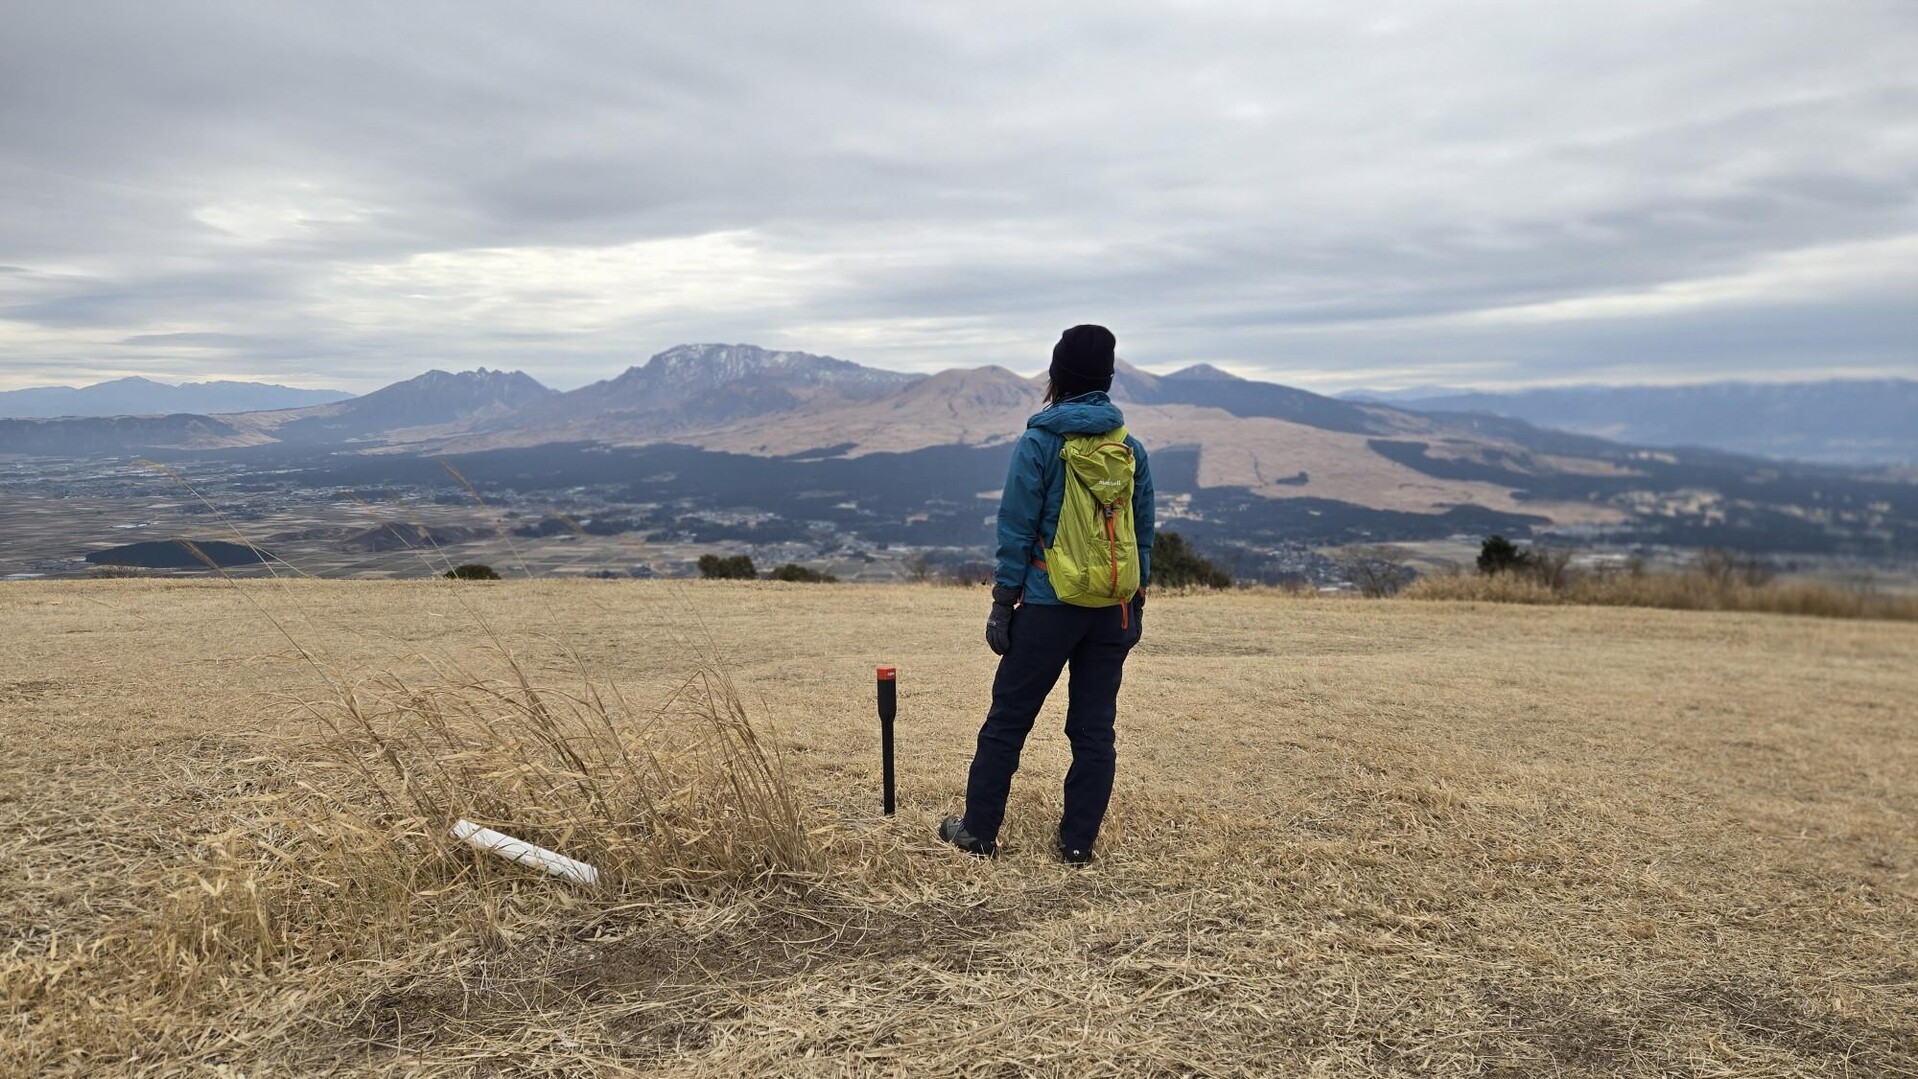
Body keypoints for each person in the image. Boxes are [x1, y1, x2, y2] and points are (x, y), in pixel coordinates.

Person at [940, 324, 1154, 865]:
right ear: (1107, 378)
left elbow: (1016, 526)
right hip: (1111, 608)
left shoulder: (1039, 443)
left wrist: (1001, 602)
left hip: (1046, 602)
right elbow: (1142, 533)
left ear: (1057, 375)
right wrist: (1137, 603)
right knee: (1094, 729)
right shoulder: (1129, 448)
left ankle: (979, 832)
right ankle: (1078, 843)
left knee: (1008, 721)